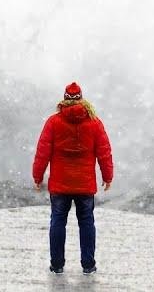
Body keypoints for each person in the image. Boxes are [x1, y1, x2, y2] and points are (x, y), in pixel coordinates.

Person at [32, 81, 114, 275]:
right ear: (81, 99)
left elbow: (42, 153)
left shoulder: (53, 122)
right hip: (85, 185)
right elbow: (104, 152)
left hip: (60, 185)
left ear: (64, 99)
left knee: (58, 222)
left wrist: (37, 176)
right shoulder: (94, 122)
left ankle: (57, 265)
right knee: (86, 222)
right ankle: (88, 265)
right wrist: (107, 176)